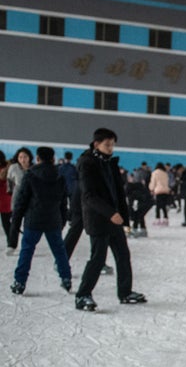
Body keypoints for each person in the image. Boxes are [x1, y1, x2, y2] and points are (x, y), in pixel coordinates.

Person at [73, 128, 147, 312]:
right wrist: (110, 213)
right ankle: (83, 295)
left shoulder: (108, 163)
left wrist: (123, 218)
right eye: (108, 144)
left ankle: (125, 292)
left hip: (114, 220)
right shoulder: (87, 163)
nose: (111, 148)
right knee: (98, 258)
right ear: (96, 144)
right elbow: (89, 196)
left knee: (123, 255)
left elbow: (118, 193)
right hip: (99, 219)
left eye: (113, 144)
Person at [8, 147, 72, 295]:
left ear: (37, 159)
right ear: (53, 159)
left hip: (33, 220)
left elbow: (21, 201)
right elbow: (63, 203)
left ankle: (20, 282)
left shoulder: (30, 176)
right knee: (59, 251)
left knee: (27, 250)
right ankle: (66, 278)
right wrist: (61, 221)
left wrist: (16, 221)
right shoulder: (60, 177)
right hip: (53, 220)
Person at [125, 172, 153, 238]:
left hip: (145, 202)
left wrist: (131, 214)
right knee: (139, 215)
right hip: (148, 202)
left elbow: (130, 205)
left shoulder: (130, 190)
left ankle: (134, 230)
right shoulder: (135, 187)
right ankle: (142, 230)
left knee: (137, 215)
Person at [0, 151, 11, 247]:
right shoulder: (8, 168)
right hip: (6, 199)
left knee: (6, 223)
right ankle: (11, 241)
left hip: (4, 200)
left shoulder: (5, 170)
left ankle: (11, 242)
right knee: (6, 223)